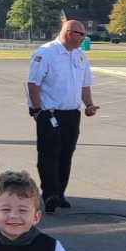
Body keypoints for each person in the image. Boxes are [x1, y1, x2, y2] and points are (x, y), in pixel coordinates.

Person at [26, 20, 99, 213]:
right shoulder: (45, 53)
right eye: (80, 34)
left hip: (72, 114)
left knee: (66, 154)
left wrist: (89, 105)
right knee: (49, 153)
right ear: (68, 32)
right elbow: (33, 83)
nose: (84, 38)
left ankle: (60, 193)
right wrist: (37, 110)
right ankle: (50, 193)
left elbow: (85, 85)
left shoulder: (80, 56)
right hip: (49, 113)